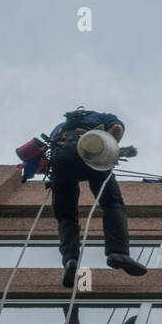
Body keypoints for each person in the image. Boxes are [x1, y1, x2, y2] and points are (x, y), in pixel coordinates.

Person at [46, 107, 148, 289]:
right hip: (90, 154)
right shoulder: (103, 117)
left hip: (60, 160)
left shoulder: (62, 126)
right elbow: (116, 129)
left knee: (66, 215)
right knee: (111, 203)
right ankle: (118, 253)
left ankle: (70, 260)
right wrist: (109, 151)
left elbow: (46, 149)